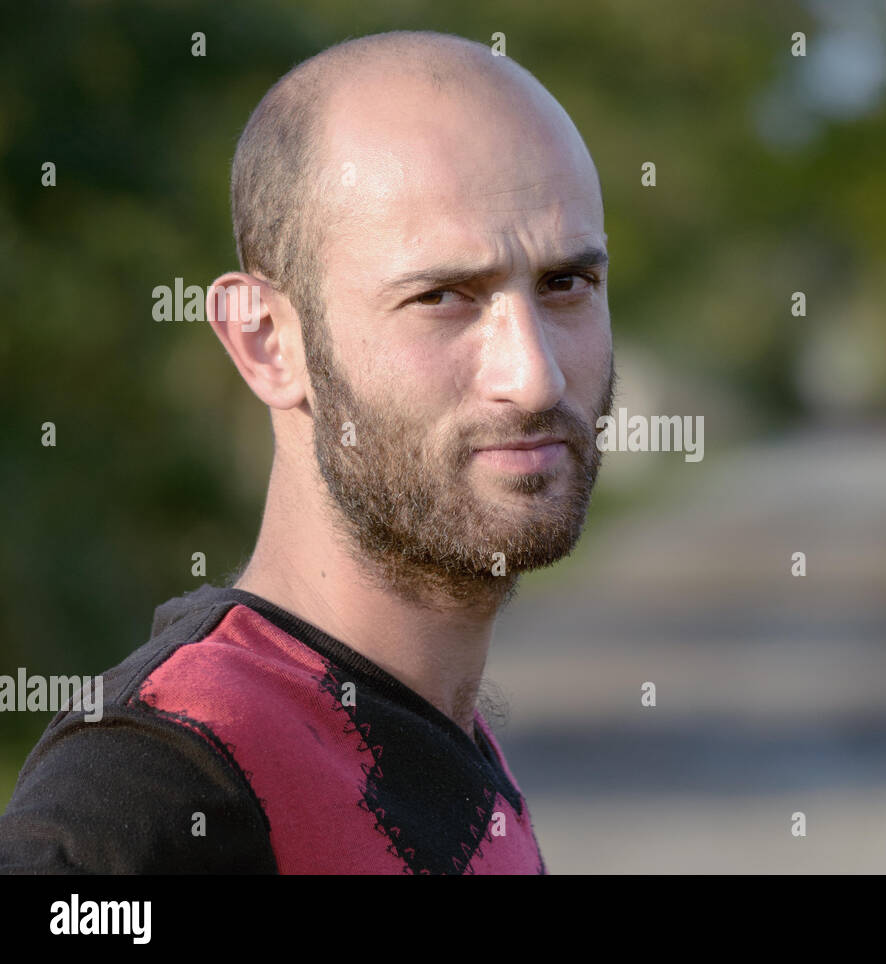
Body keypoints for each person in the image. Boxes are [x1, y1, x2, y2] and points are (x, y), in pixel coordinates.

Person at [0, 30, 615, 874]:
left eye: (565, 284)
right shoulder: (157, 787)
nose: (536, 379)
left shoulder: (440, 740)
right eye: (441, 296)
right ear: (267, 342)